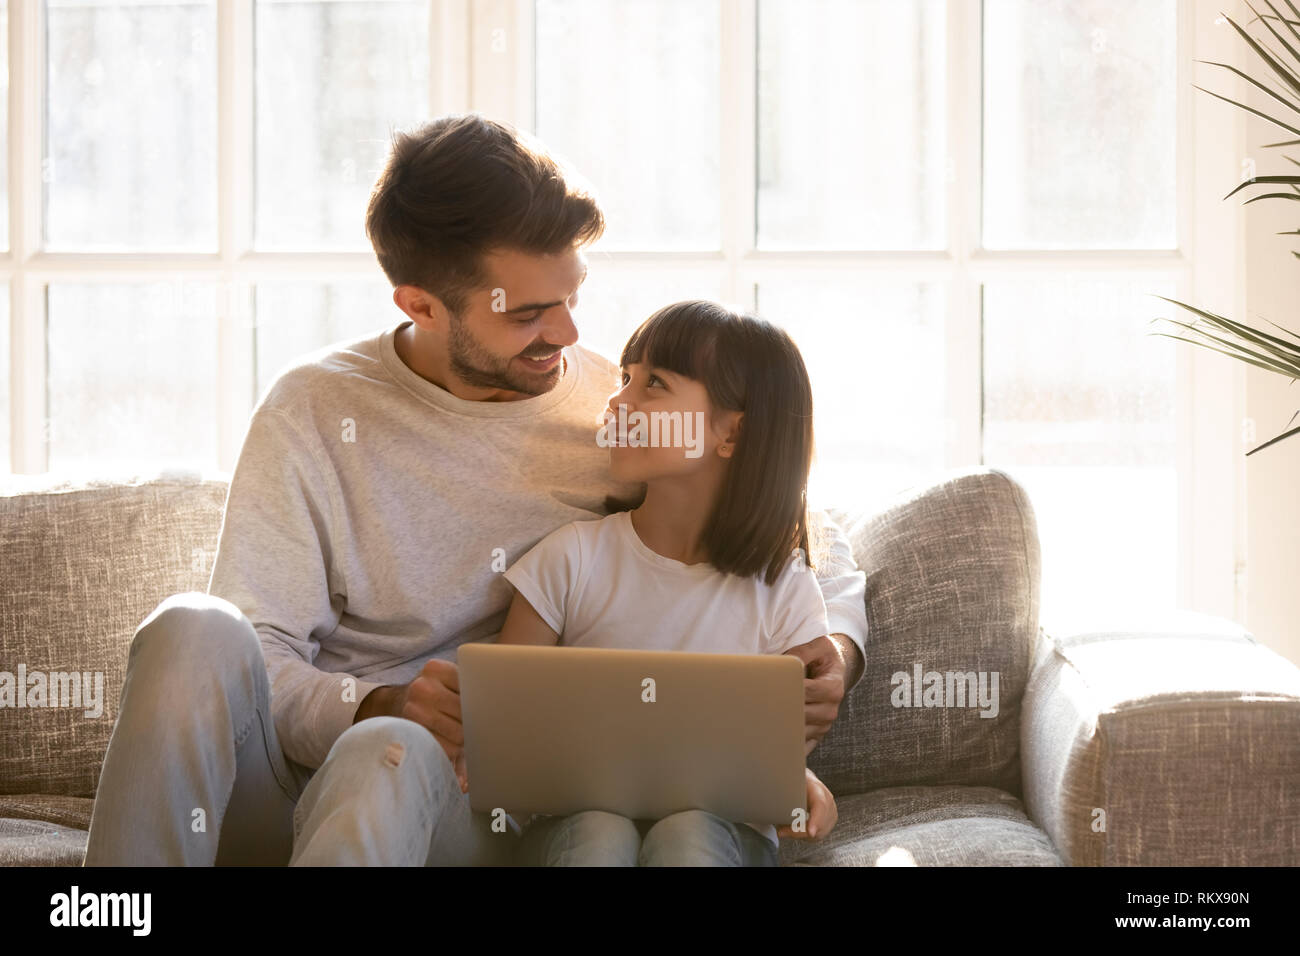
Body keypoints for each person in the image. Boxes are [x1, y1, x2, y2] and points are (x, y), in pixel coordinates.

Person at [83, 113, 868, 867]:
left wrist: (833, 647)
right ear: (421, 305)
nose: (564, 333)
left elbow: (784, 514)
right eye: (528, 313)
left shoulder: (617, 413)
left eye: (571, 297)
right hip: (287, 782)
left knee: (387, 754)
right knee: (192, 627)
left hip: (458, 803)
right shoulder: (314, 410)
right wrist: (371, 704)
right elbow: (261, 652)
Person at [496, 299, 839, 866]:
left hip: (721, 831)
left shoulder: (784, 589)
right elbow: (506, 726)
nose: (617, 400)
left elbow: (776, 752)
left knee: (688, 832)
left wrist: (798, 782)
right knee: (600, 832)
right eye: (624, 378)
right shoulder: (570, 559)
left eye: (653, 383)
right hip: (577, 822)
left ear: (733, 432)